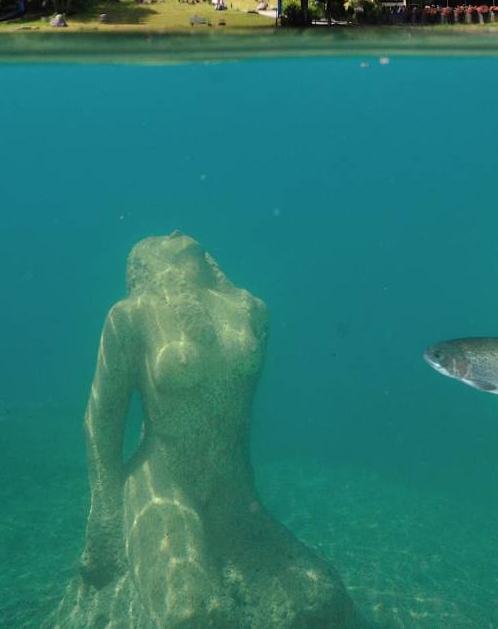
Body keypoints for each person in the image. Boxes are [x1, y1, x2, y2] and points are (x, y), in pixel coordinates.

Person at [51, 233, 354, 629]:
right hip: (163, 480)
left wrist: (249, 497)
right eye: (158, 238)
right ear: (143, 263)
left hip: (231, 486)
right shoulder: (131, 316)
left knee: (321, 599)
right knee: (189, 612)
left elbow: (239, 421)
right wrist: (105, 516)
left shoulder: (251, 311)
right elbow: (101, 418)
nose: (174, 232)